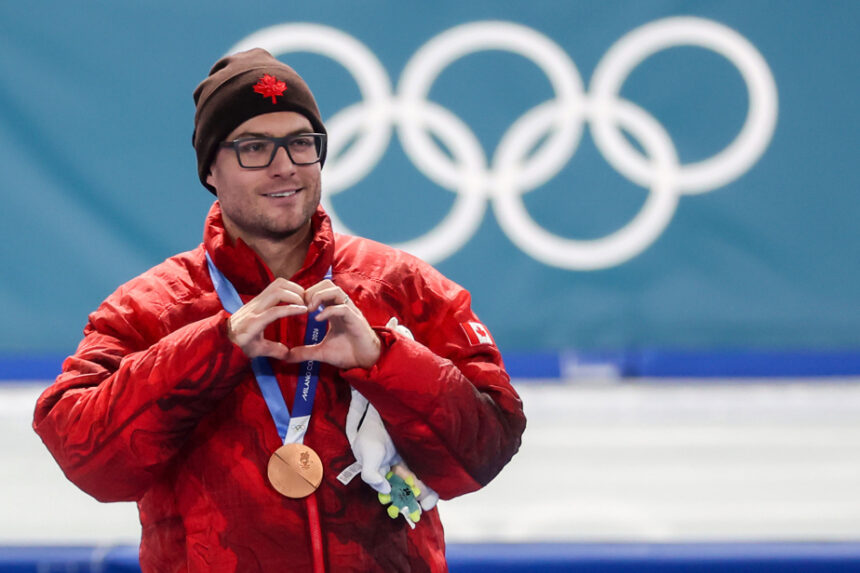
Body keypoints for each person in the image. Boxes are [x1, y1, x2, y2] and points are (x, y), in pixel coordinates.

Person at [33, 48, 525, 573]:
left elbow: (484, 454)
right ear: (210, 170)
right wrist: (212, 346)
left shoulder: (405, 288)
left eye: (300, 143)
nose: (284, 165)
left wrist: (385, 359)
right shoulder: (149, 309)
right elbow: (88, 461)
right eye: (254, 148)